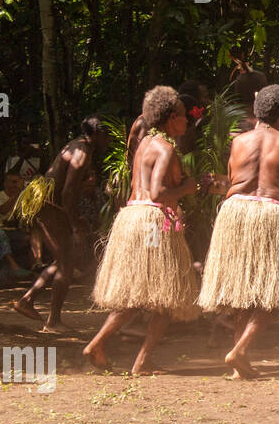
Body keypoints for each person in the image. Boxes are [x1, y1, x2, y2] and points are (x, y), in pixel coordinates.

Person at [198, 84, 279, 379]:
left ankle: (242, 359)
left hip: (235, 213)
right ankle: (240, 350)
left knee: (242, 290)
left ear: (256, 111)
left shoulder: (239, 142)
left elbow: (232, 177)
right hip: (270, 214)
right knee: (276, 295)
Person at [84, 87, 202, 374]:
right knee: (163, 297)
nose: (187, 122)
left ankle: (125, 353)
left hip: (133, 218)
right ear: (172, 118)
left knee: (145, 294)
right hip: (153, 221)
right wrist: (189, 187)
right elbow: (158, 192)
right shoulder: (165, 148)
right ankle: (132, 356)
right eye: (184, 117)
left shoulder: (145, 145)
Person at [11, 116, 109, 330]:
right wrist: (74, 223)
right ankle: (53, 321)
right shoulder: (81, 152)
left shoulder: (77, 145)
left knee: (63, 259)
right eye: (106, 134)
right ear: (96, 134)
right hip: (51, 207)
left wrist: (74, 217)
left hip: (52, 206)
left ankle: (27, 300)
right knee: (66, 264)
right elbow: (67, 192)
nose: (109, 140)